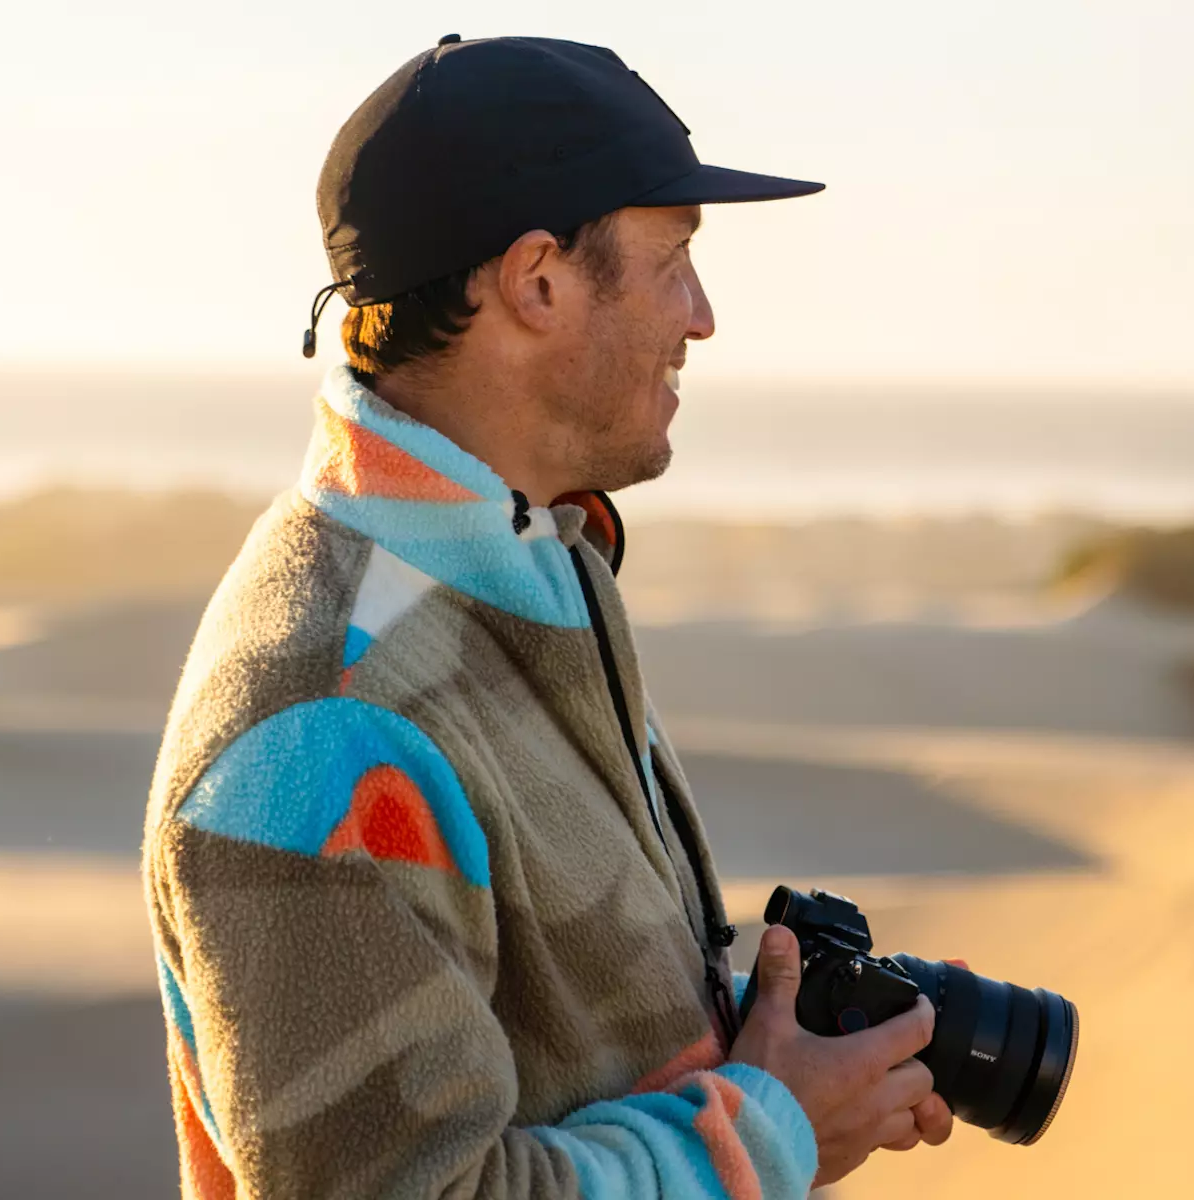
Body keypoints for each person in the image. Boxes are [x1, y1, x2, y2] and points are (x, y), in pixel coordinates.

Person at [142, 35, 953, 1199]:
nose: (704, 315)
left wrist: (791, 1057)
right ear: (535, 281)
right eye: (673, 258)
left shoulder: (529, 566)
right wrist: (764, 1136)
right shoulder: (328, 719)